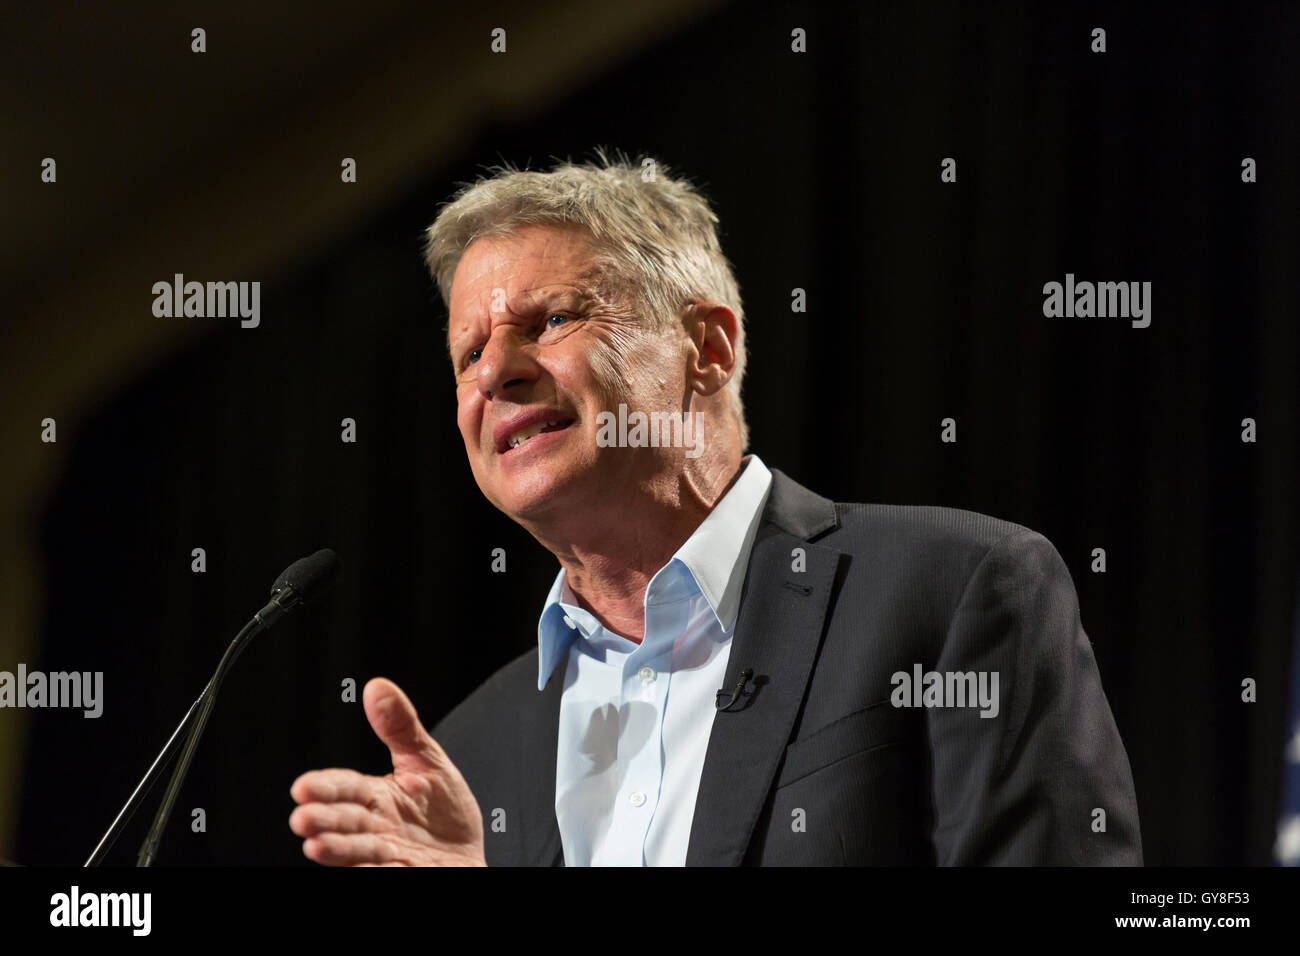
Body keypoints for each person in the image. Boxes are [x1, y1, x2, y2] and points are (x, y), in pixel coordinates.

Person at [288, 151, 1142, 866]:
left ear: (708, 346)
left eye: (550, 320)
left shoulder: (953, 590)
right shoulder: (469, 758)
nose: (492, 373)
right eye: (468, 351)